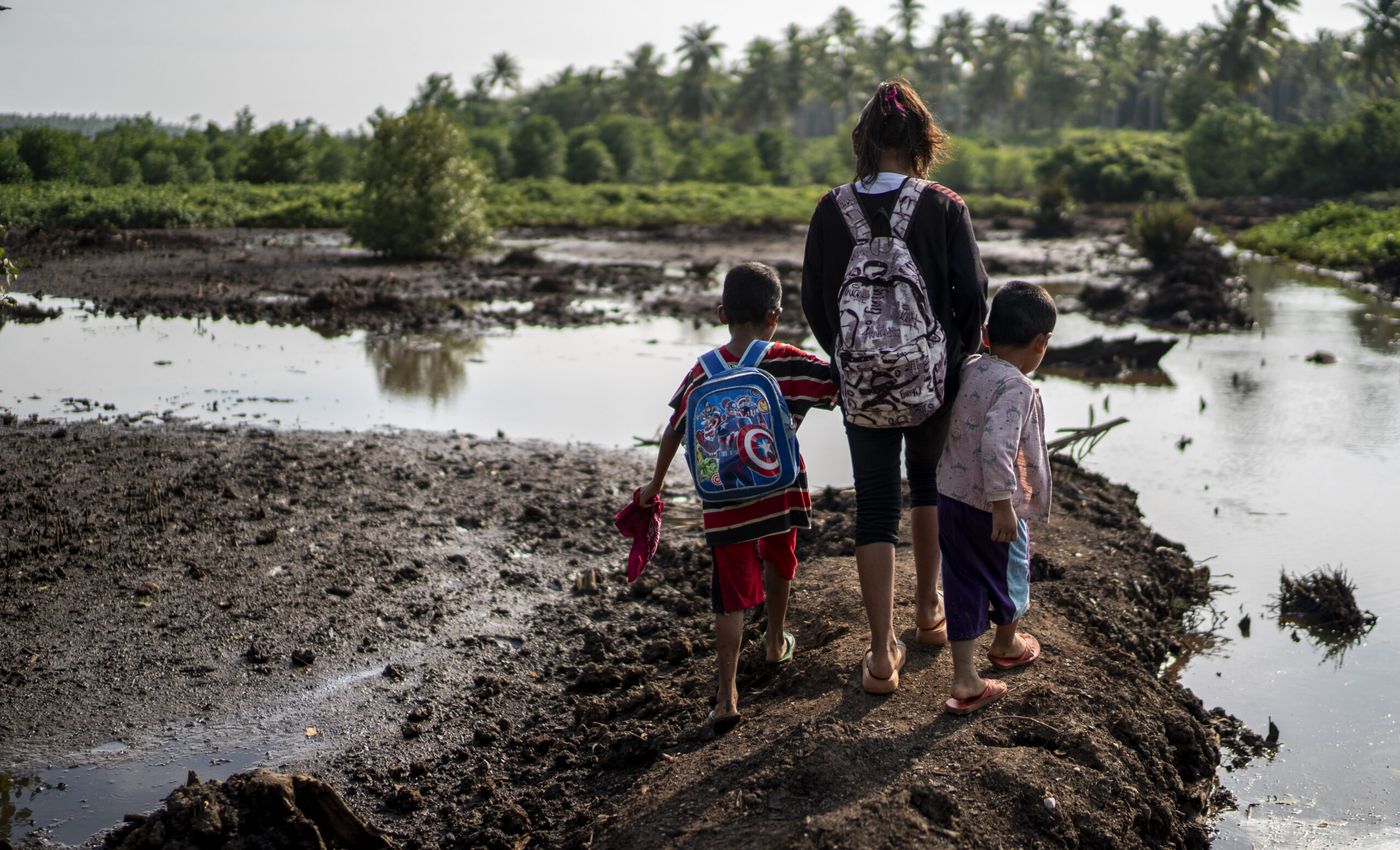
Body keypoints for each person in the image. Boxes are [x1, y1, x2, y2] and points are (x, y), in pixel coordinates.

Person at [801, 77, 988, 693]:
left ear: (864, 140)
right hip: (933, 379)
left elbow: (814, 302)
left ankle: (881, 656)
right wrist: (952, 355)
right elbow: (973, 296)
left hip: (861, 384)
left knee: (875, 505)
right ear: (921, 140)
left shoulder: (832, 209)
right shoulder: (943, 205)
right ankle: (929, 612)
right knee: (929, 487)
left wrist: (850, 357)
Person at [638, 262, 837, 730]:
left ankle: (727, 696)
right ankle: (773, 642)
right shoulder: (788, 359)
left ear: (722, 312)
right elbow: (838, 385)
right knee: (780, 560)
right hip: (780, 495)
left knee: (729, 596)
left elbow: (674, 431)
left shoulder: (702, 370)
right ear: (776, 315)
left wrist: (656, 484)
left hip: (724, 504)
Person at [936, 281, 1057, 715]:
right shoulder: (1017, 387)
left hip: (949, 497)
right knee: (1011, 571)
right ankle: (1007, 643)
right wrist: (1004, 503)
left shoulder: (970, 366)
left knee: (962, 579)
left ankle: (966, 677)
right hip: (990, 506)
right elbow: (996, 446)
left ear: (987, 333)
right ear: (1041, 343)